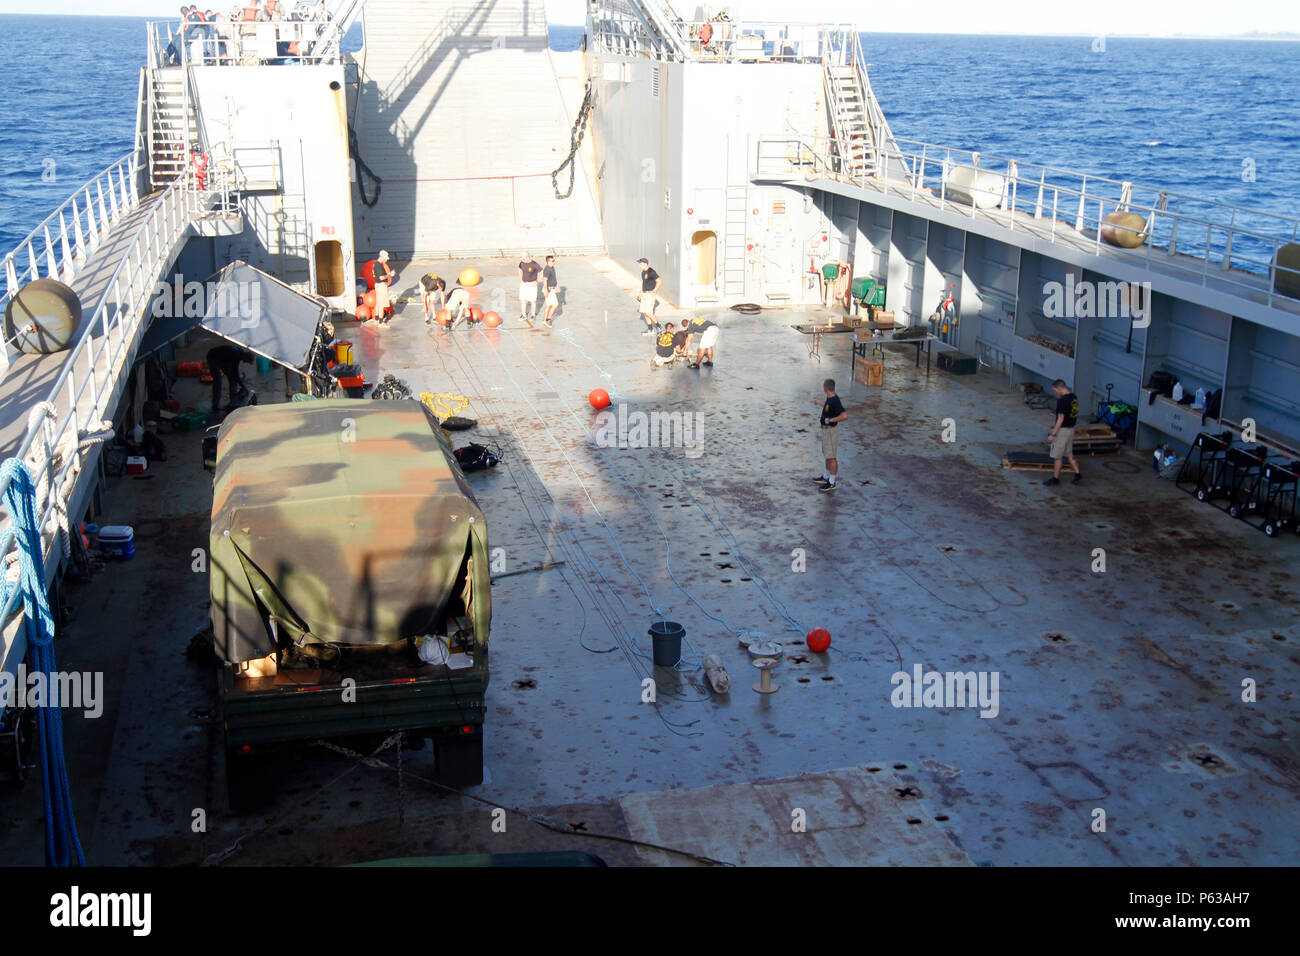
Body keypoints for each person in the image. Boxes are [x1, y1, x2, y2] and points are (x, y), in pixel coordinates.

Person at [1044, 379, 1082, 486]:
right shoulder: (1074, 397)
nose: (1055, 392)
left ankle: (1055, 479)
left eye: (1055, 390)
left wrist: (1053, 434)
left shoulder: (1062, 401)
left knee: (1058, 456)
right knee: (1069, 454)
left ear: (1060, 388)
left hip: (1063, 431)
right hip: (1071, 430)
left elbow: (1061, 418)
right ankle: (1078, 474)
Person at [815, 378, 847, 492]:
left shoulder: (835, 400)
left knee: (832, 456)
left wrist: (831, 420)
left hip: (830, 431)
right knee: (827, 454)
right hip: (826, 430)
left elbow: (844, 415)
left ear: (825, 388)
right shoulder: (830, 398)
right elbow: (828, 406)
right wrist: (819, 402)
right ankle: (826, 476)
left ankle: (832, 482)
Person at [207, 344, 253, 411]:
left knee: (232, 379)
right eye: (246, 361)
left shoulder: (240, 353)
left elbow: (234, 373)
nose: (245, 362)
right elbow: (235, 373)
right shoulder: (235, 356)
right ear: (244, 358)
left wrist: (242, 385)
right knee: (218, 381)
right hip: (213, 357)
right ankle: (215, 405)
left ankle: (233, 402)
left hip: (224, 358)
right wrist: (243, 386)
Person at [636, 257, 662, 335]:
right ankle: (650, 329)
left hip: (650, 295)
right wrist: (640, 293)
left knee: (648, 312)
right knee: (644, 312)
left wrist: (654, 290)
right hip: (644, 294)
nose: (639, 266)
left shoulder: (651, 272)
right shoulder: (643, 272)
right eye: (639, 264)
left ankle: (660, 327)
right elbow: (644, 283)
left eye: (640, 264)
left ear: (645, 264)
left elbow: (659, 281)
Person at [371, 250, 396, 326]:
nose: (386, 259)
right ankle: (381, 322)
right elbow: (381, 277)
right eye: (385, 258)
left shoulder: (376, 264)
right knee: (381, 304)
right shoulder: (378, 265)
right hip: (381, 285)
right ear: (381, 257)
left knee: (378, 303)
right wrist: (390, 275)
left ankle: (376, 318)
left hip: (377, 285)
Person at [518, 253, 542, 324]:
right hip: (524, 284)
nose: (523, 260)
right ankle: (524, 314)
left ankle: (533, 315)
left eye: (524, 259)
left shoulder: (534, 264)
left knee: (533, 301)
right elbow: (519, 270)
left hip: (532, 285)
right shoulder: (521, 263)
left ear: (528, 258)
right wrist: (520, 280)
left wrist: (537, 281)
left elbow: (542, 272)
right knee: (523, 300)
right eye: (522, 259)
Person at [541, 254, 562, 328]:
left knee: (549, 305)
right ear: (548, 262)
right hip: (549, 290)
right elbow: (544, 280)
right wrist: (546, 291)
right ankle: (547, 320)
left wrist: (557, 286)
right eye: (552, 261)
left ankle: (545, 320)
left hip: (552, 289)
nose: (554, 262)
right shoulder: (547, 269)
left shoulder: (552, 267)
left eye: (554, 260)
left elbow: (554, 278)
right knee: (554, 305)